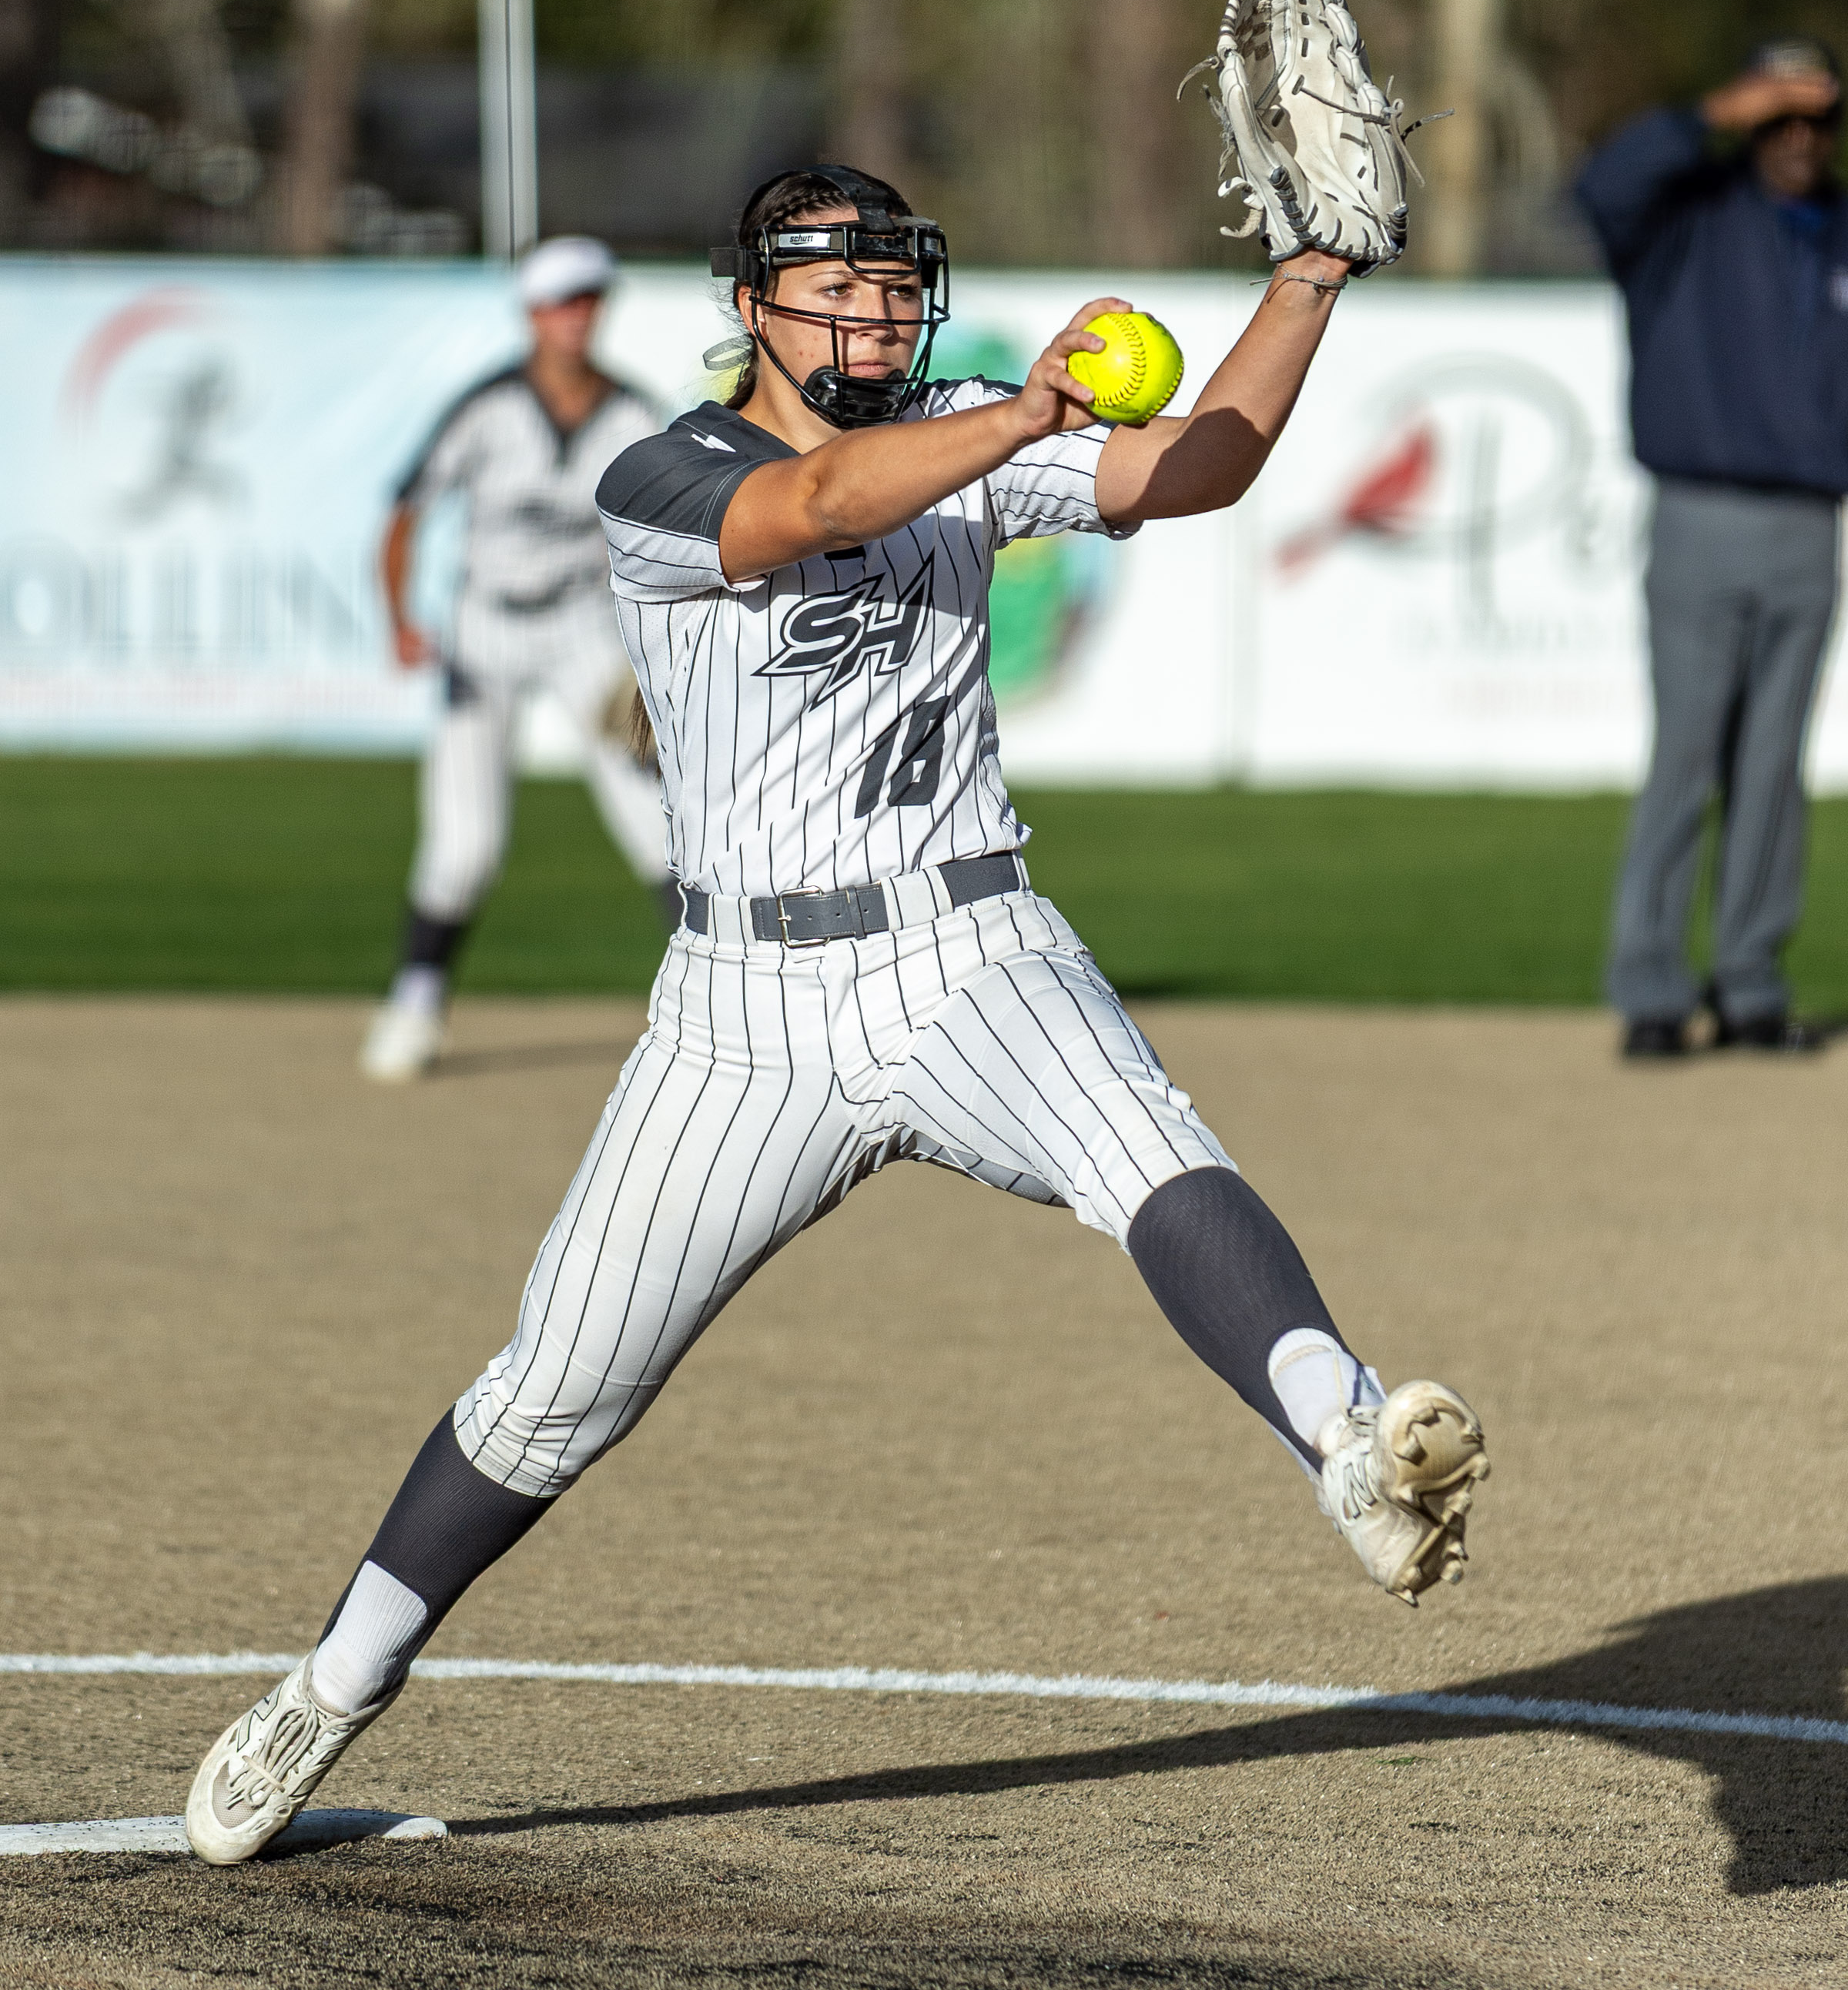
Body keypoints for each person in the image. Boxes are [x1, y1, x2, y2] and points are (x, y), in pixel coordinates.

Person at [186, 164, 1489, 1865]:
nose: (873, 316)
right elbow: (809, 508)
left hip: (968, 944)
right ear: (750, 309)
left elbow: (1207, 466)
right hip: (742, 1014)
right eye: (834, 291)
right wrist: (1027, 406)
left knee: (1150, 1156)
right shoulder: (658, 473)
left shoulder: (964, 422)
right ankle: (332, 1688)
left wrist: (1310, 276)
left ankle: (1348, 1446)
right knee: (549, 1396)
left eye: (893, 287)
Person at [1579, 43, 1848, 1060]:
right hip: (1701, 513)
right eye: (1777, 116)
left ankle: (1750, 986)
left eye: (1816, 117)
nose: (1797, 136)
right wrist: (1718, 113)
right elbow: (1602, 183)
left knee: (1775, 768)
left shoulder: (1838, 232)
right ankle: (1652, 987)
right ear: (1746, 118)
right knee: (1687, 756)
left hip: (1810, 526)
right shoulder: (1685, 218)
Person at [360, 236, 672, 1084]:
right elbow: (405, 508)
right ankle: (416, 1001)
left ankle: (718, 1000)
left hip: (584, 630)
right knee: (464, 846)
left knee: (660, 826)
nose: (578, 317)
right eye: (562, 302)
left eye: (589, 301)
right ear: (532, 314)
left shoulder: (632, 413)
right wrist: (400, 617)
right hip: (486, 631)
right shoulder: (489, 408)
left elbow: (677, 530)